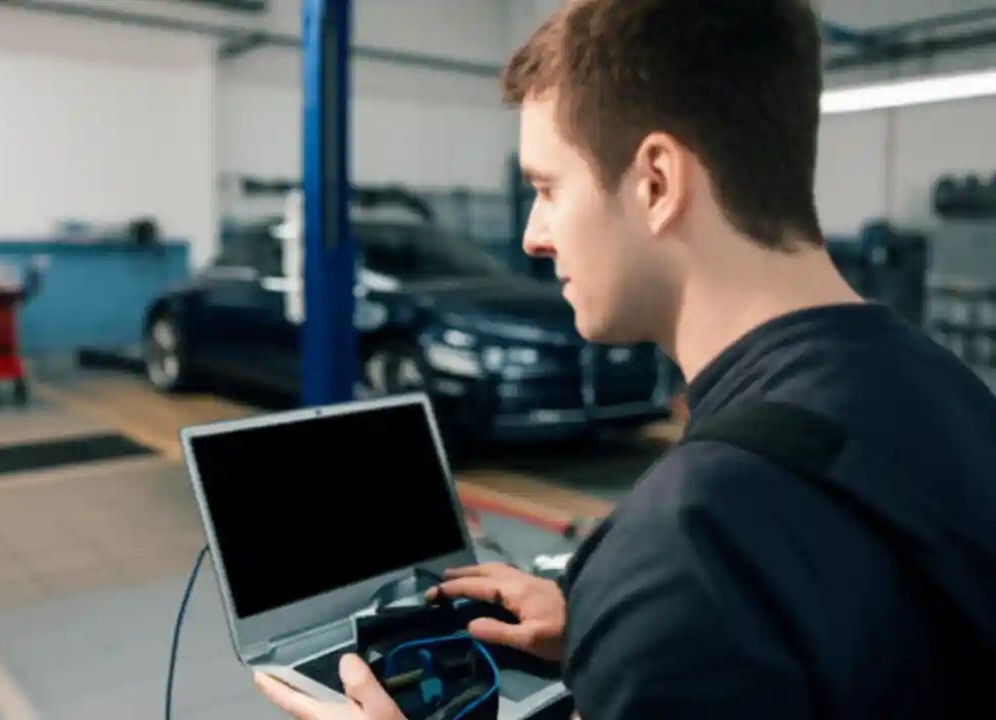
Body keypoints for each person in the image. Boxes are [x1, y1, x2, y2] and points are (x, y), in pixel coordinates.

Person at [254, 0, 996, 717]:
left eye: (548, 188)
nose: (533, 237)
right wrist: (607, 635)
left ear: (657, 183)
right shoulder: (941, 389)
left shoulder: (690, 548)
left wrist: (642, 622)